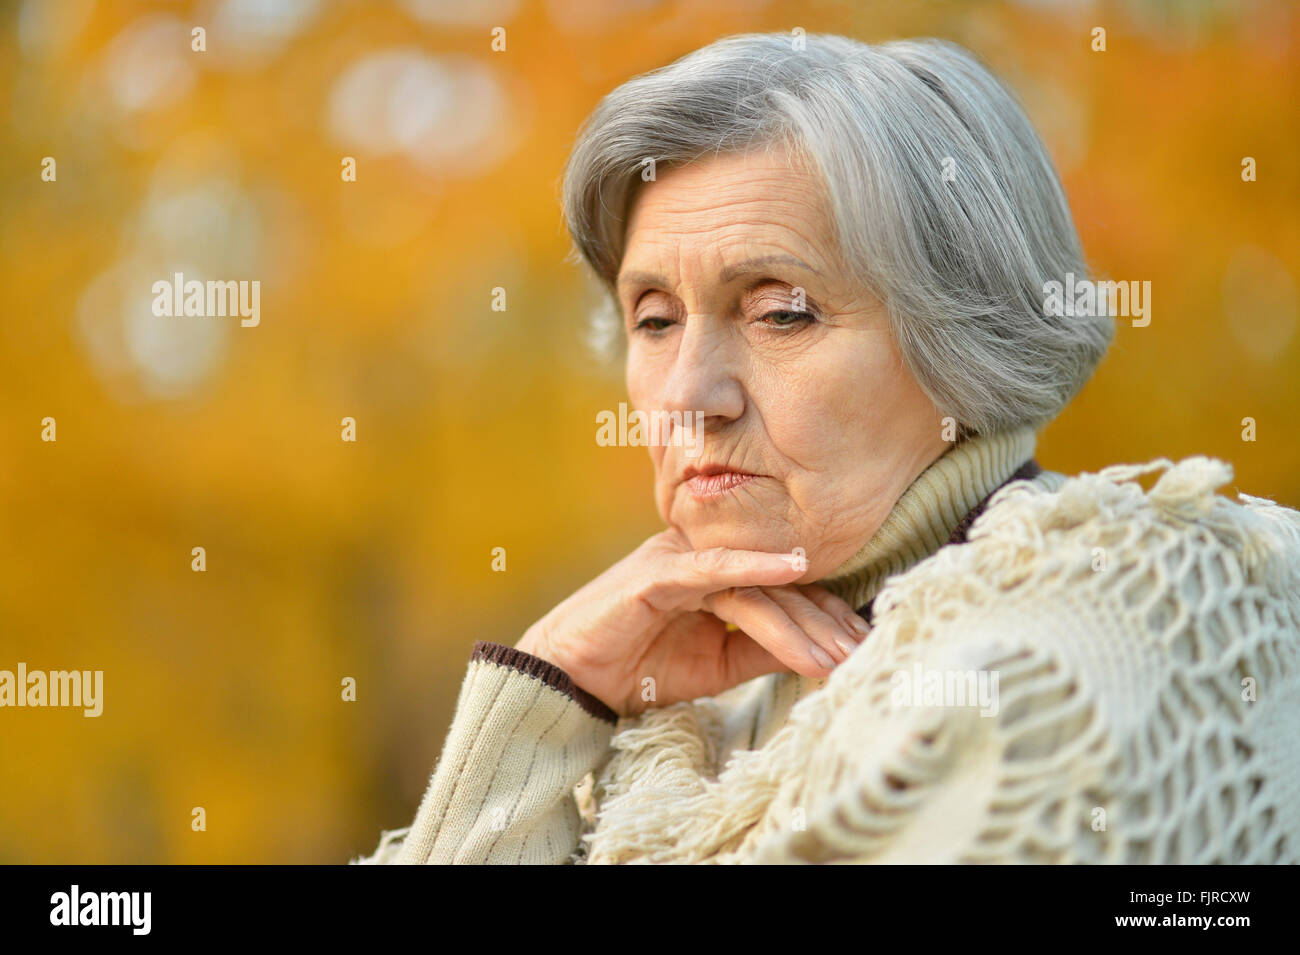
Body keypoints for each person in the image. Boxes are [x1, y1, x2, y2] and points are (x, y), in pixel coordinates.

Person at [354, 32, 1300, 864]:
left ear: (961, 340)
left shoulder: (1119, 625)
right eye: (653, 319)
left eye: (780, 312)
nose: (687, 396)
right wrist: (556, 684)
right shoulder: (673, 727)